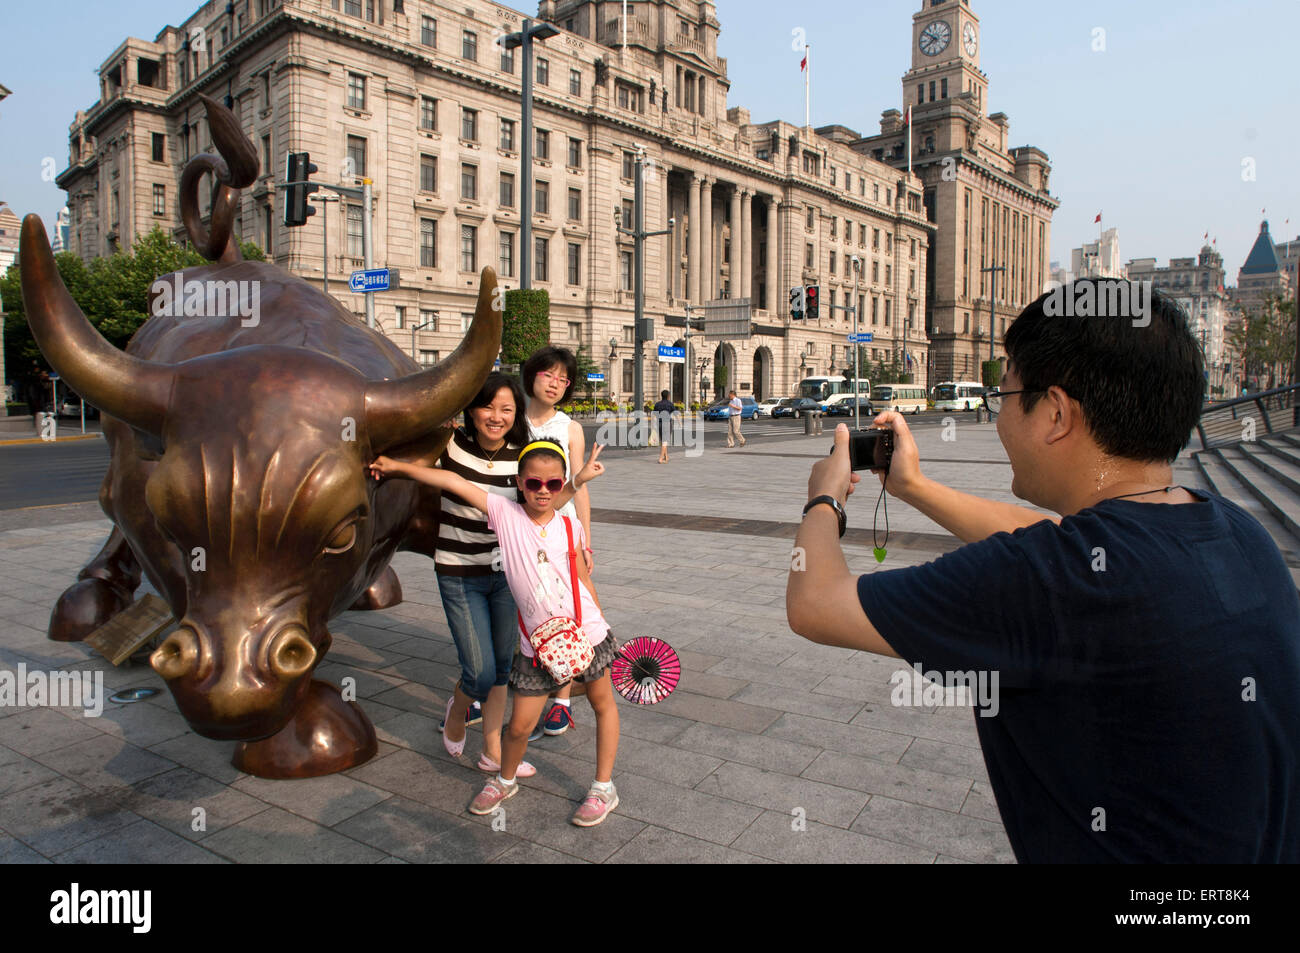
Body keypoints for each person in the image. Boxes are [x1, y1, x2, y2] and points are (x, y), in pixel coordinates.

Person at [786, 279, 1300, 863]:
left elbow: (816, 602)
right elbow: (1045, 540)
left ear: (1055, 412)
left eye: (1004, 396)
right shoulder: (1238, 532)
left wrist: (823, 498)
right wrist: (914, 487)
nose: (999, 417)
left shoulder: (1054, 581)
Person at [371, 440, 622, 826]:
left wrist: (601, 626)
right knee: (520, 725)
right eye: (534, 483)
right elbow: (451, 481)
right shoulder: (504, 514)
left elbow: (583, 580)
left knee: (603, 705)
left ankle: (603, 787)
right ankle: (505, 779)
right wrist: (396, 467)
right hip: (535, 646)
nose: (543, 491)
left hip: (585, 632)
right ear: (519, 483)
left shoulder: (570, 527)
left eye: (553, 485)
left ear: (560, 486)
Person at [425, 373, 531, 774]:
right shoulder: (449, 444)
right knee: (480, 672)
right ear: (471, 408)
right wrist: (388, 467)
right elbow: (417, 464)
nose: (496, 416)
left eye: (507, 409)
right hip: (458, 572)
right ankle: (458, 708)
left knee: (502, 669)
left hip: (506, 576)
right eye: (488, 406)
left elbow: (542, 501)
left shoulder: (522, 453)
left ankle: (494, 752)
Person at [521, 345, 592, 736]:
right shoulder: (513, 419)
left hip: (560, 528)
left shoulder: (570, 428)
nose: (556, 384)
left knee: (561, 610)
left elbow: (578, 485)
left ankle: (562, 701)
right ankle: (524, 695)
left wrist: (585, 538)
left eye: (564, 379)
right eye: (549, 375)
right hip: (520, 526)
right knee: (527, 611)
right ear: (532, 375)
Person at [653, 390, 675, 463]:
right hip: (667, 423)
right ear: (668, 396)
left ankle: (666, 457)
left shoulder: (657, 404)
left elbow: (655, 414)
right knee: (665, 441)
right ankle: (661, 458)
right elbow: (674, 413)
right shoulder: (670, 404)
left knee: (663, 440)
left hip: (659, 423)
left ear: (661, 395)